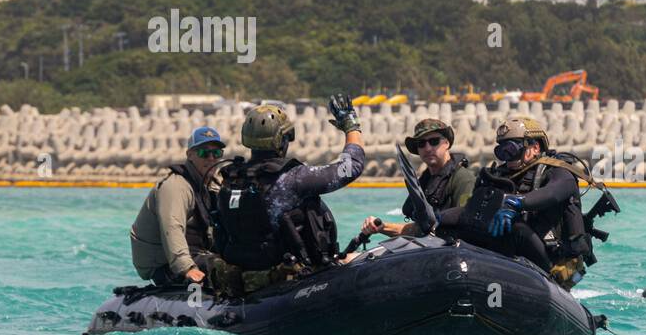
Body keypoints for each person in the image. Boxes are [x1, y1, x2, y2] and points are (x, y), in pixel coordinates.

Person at [212, 95, 365, 293]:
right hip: (292, 281)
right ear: (282, 140)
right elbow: (351, 166)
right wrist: (351, 125)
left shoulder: (230, 179)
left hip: (246, 281)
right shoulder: (292, 179)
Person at [437, 116, 611, 288]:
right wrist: (437, 219)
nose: (507, 157)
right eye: (502, 150)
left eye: (512, 149)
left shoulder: (560, 173)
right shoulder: (499, 175)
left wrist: (516, 203)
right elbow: (469, 211)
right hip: (509, 254)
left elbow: (551, 194)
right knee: (450, 228)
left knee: (515, 227)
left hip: (550, 261)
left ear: (534, 147)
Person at [130, 126, 226, 286]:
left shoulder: (211, 185)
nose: (211, 158)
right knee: (226, 272)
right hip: (164, 264)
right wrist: (186, 268)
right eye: (204, 153)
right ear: (189, 155)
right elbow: (172, 227)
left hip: (197, 253)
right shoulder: (175, 187)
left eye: (216, 153)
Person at [360, 118, 473, 240]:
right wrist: (381, 227)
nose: (428, 148)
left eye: (434, 141)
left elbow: (466, 223)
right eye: (421, 144)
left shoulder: (462, 179)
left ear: (447, 143)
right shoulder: (427, 182)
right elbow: (420, 229)